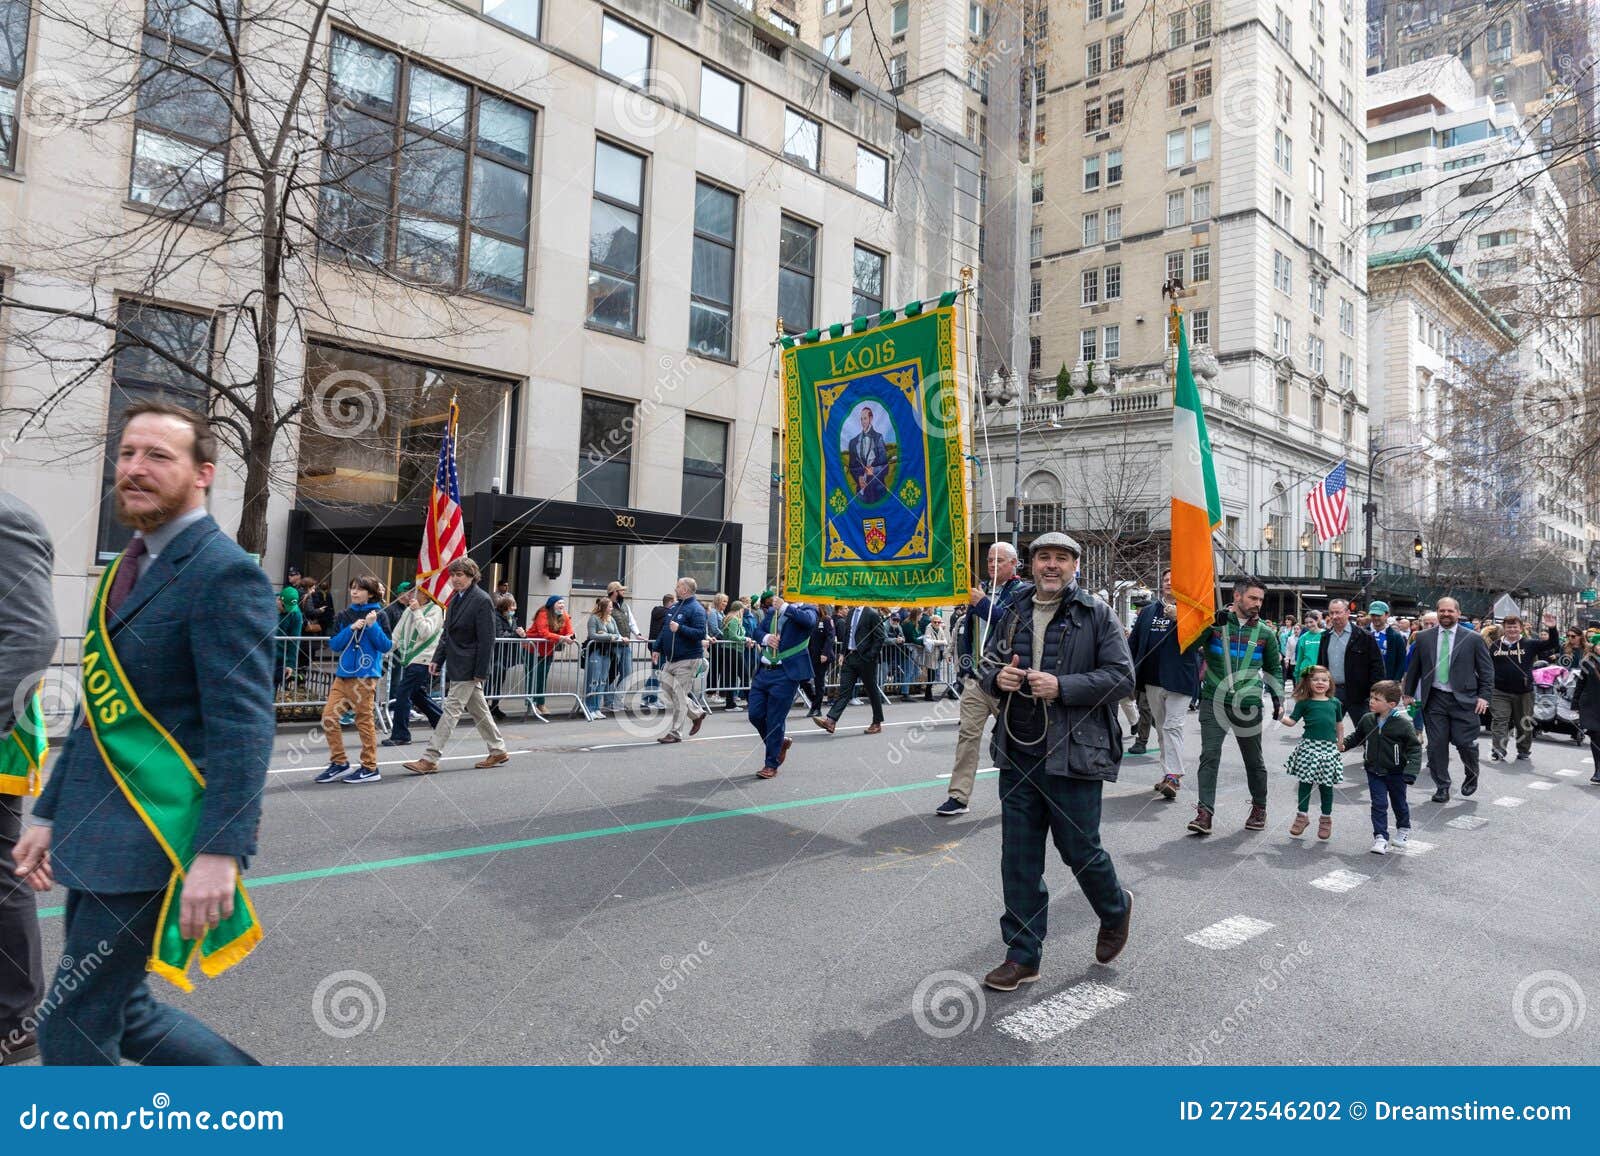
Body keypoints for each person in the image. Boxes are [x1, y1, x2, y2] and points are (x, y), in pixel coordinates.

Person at [14, 401, 273, 1064]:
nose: (135, 468)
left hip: (154, 835)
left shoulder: (224, 572)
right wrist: (47, 813)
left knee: (73, 1021)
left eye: (158, 456)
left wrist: (220, 852)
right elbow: (97, 717)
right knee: (120, 1013)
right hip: (97, 834)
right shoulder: (126, 566)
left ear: (202, 474)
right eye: (128, 454)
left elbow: (242, 723)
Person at [976, 532, 1133, 991]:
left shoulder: (1097, 614)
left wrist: (1063, 687)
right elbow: (984, 664)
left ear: (1075, 566)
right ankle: (1023, 955)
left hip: (1075, 752)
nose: (1051, 565)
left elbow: (1121, 678)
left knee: (1079, 850)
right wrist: (996, 676)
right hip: (1018, 750)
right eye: (1043, 557)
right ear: (1030, 564)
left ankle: (1114, 908)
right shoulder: (1012, 612)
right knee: (1018, 857)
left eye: (1061, 558)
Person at [0, 492, 59, 1065]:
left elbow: (32, 639)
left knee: (2, 874)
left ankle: (14, 1020)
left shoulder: (7, 517)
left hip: (0, 736)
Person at [935, 543, 1031, 816]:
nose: (992, 564)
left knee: (1014, 738)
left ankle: (1022, 794)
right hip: (976, 679)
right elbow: (969, 631)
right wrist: (965, 669)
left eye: (999, 560)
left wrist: (982, 604)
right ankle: (958, 796)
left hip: (1005, 677)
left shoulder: (1022, 592)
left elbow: (1015, 624)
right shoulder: (980, 589)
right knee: (967, 736)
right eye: (990, 559)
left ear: (1014, 564)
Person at [1187, 577, 1283, 835]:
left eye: (1261, 600)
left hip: (1248, 703)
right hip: (1213, 700)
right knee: (1209, 755)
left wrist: (1278, 699)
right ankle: (1204, 813)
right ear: (1237, 596)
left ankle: (1259, 807)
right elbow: (1187, 644)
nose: (1258, 604)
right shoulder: (1215, 624)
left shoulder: (1265, 633)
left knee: (1254, 760)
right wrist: (1207, 625)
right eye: (1253, 598)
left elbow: (1274, 668)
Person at [403, 557, 511, 775]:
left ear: (472, 576)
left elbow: (487, 639)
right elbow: (447, 634)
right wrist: (437, 658)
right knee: (478, 709)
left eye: (460, 575)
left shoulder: (481, 600)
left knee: (451, 711)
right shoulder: (455, 599)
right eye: (452, 575)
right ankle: (498, 749)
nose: (455, 579)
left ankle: (430, 758)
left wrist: (481, 671)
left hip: (469, 667)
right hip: (456, 662)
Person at [1401, 596, 1494, 802]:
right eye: (1442, 610)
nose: (1445, 614)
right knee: (1436, 745)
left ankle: (1472, 774)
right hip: (1434, 699)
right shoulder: (1423, 637)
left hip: (1465, 700)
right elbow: (1414, 668)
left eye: (1450, 611)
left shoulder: (1473, 638)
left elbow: (1486, 672)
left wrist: (1484, 697)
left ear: (1458, 614)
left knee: (1465, 743)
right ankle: (1442, 786)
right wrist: (1407, 693)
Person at [1129, 568, 1203, 800]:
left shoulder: (1191, 610)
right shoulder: (1148, 611)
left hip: (1180, 678)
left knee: (1173, 726)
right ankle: (1168, 775)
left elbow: (1198, 643)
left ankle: (1174, 775)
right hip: (1152, 679)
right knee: (1161, 729)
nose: (1169, 583)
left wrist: (1180, 618)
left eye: (1174, 580)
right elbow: (1134, 643)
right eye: (1166, 580)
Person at [315, 577, 393, 784]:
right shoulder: (344, 615)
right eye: (352, 588)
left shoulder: (380, 615)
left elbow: (386, 646)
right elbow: (334, 644)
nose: (355, 592)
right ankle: (339, 762)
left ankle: (370, 766)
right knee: (329, 717)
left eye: (360, 589)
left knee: (364, 720)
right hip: (343, 675)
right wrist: (349, 629)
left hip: (366, 676)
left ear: (371, 593)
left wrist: (372, 626)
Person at [1341, 680, 1422, 855]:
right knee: (1379, 804)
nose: (1371, 702)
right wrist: (1342, 745)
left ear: (1391, 704)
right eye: (1371, 697)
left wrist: (1411, 772)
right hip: (1373, 771)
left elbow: (1414, 748)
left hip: (1396, 773)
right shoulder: (1367, 719)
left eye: (1376, 699)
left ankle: (1403, 829)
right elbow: (1357, 737)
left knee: (1399, 803)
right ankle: (1380, 837)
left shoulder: (1403, 724)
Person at [749, 593, 818, 779]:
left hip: (785, 673)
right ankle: (779, 743)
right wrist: (766, 638)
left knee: (775, 720)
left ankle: (771, 764)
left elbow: (809, 622)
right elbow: (757, 631)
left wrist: (786, 607)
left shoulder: (808, 608)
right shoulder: (773, 611)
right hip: (763, 671)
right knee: (754, 714)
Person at [1279, 665, 1345, 840]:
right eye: (1315, 679)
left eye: (1324, 679)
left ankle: (1325, 819)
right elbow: (1291, 722)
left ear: (1329, 683)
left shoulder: (1335, 703)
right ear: (1308, 683)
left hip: (1329, 748)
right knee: (1305, 783)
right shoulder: (1304, 703)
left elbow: (1339, 724)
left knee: (1326, 785)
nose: (1320, 683)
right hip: (1309, 747)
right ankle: (1302, 816)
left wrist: (1340, 741)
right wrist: (1279, 716)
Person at [1486, 611, 1561, 762]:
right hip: (1500, 691)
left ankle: (1523, 750)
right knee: (1500, 720)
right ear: (1504, 628)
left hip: (1524, 692)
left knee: (1524, 722)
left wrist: (1552, 628)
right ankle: (1498, 750)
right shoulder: (1495, 646)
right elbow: (1487, 666)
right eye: (1509, 627)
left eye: (1515, 627)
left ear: (1520, 628)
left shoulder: (1529, 644)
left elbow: (1553, 645)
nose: (1512, 630)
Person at [1300, 599, 1384, 722]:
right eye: (1331, 613)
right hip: (1332, 692)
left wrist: (1374, 693)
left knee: (1365, 731)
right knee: (1328, 730)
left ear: (1347, 613)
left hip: (1359, 694)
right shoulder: (1325, 637)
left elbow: (1377, 666)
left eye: (1338, 612)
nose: (1334, 616)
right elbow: (1320, 665)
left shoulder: (1364, 636)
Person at [814, 603, 887, 736]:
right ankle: (831, 721)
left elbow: (880, 637)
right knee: (844, 691)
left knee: (872, 690)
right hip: (849, 657)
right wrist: (842, 653)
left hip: (865, 659)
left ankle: (877, 722)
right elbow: (848, 634)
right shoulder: (851, 612)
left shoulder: (872, 613)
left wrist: (870, 656)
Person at [384, 587, 443, 746]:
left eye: (413, 592)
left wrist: (417, 612)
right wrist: (385, 651)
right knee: (417, 695)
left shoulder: (435, 610)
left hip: (424, 659)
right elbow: (397, 634)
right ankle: (442, 724)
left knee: (403, 693)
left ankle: (401, 735)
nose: (409, 595)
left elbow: (426, 632)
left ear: (425, 593)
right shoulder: (408, 610)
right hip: (409, 658)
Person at [652, 577, 709, 743]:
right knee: (666, 689)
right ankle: (697, 714)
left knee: (679, 696)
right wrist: (656, 647)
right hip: (670, 658)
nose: (675, 589)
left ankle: (675, 733)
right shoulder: (675, 607)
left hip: (688, 659)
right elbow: (665, 630)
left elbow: (699, 633)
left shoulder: (696, 609)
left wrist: (680, 628)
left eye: (678, 586)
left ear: (685, 589)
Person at [524, 595, 576, 719]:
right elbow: (544, 633)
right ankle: (530, 703)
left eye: (563, 603)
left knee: (542, 677)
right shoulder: (543, 614)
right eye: (559, 603)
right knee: (532, 676)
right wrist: (562, 638)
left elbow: (569, 631)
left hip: (548, 650)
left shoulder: (564, 616)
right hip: (532, 649)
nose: (562, 606)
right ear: (552, 605)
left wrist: (571, 637)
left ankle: (540, 703)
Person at [488, 593, 525, 722]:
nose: (514, 609)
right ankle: (483, 706)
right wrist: (515, 634)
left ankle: (495, 706)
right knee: (491, 680)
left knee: (499, 681)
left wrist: (521, 634)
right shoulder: (496, 617)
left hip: (505, 655)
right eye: (512, 606)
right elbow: (499, 635)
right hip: (494, 655)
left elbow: (513, 633)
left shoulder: (512, 619)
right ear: (505, 607)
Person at [1570, 630, 1600, 782]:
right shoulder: (1588, 663)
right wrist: (1574, 705)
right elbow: (1579, 685)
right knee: (1595, 736)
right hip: (1591, 705)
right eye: (1599, 644)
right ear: (1594, 647)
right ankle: (1598, 770)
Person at [606, 581, 640, 713]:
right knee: (610, 674)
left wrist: (638, 634)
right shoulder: (606, 605)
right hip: (611, 646)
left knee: (627, 673)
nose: (623, 592)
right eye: (621, 590)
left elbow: (632, 622)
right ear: (615, 592)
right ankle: (608, 701)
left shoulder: (625, 606)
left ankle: (617, 700)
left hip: (625, 646)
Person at [585, 597, 622, 718]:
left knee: (602, 680)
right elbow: (592, 635)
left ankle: (597, 707)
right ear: (604, 607)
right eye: (610, 606)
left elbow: (617, 634)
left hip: (607, 653)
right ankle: (589, 707)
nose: (612, 609)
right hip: (596, 651)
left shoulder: (611, 619)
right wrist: (609, 637)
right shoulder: (594, 618)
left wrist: (606, 635)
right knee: (593, 680)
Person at [847, 405, 889, 503]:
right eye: (861, 419)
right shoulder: (853, 442)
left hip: (878, 490)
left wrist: (874, 471)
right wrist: (858, 478)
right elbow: (852, 467)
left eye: (865, 418)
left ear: (871, 418)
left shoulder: (879, 438)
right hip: (862, 493)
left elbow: (886, 467)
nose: (863, 422)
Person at [802, 603, 836, 716]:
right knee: (803, 680)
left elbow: (830, 637)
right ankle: (814, 701)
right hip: (809, 655)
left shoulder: (826, 619)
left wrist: (825, 653)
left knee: (819, 681)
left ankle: (816, 708)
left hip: (821, 656)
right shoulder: (809, 620)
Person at [715, 599, 748, 710]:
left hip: (730, 651)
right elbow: (734, 636)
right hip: (734, 651)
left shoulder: (729, 618)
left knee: (732, 678)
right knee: (744, 676)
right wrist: (746, 639)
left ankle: (730, 704)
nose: (743, 612)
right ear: (739, 609)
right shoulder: (734, 620)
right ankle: (751, 702)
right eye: (742, 610)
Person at [1368, 601, 1408, 682]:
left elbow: (1401, 661)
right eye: (1373, 615)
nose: (1375, 618)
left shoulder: (1396, 636)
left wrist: (1396, 681)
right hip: (1366, 680)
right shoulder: (1363, 633)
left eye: (1379, 615)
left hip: (1387, 681)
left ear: (1387, 615)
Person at [275, 583, 303, 691]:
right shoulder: (266, 603)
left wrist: (290, 664)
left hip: (279, 659)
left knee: (271, 691)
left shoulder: (296, 614)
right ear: (279, 600)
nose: (288, 610)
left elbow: (294, 641)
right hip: (261, 655)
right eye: (285, 607)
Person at [921, 613, 950, 702]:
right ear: (932, 622)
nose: (937, 624)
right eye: (935, 622)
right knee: (931, 676)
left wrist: (938, 642)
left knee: (932, 676)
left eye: (939, 622)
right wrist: (940, 642)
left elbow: (945, 641)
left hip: (938, 655)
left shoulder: (940, 629)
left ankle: (928, 694)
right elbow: (929, 641)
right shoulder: (928, 628)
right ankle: (928, 695)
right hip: (930, 655)